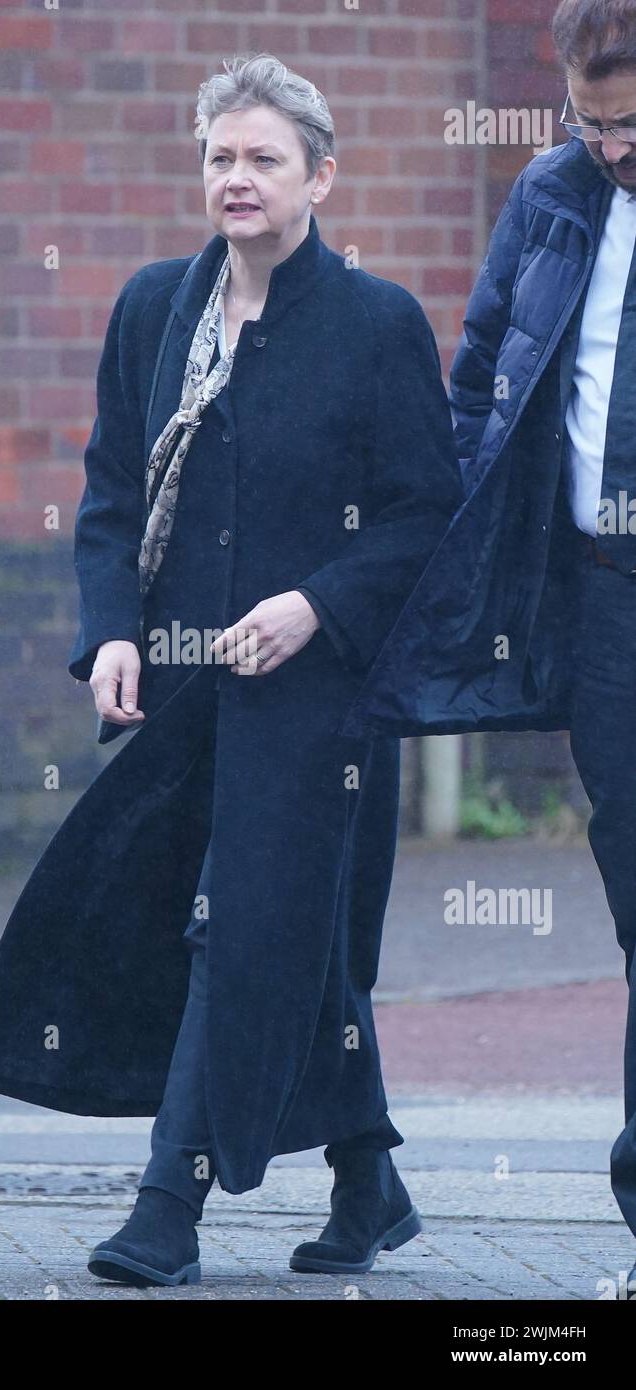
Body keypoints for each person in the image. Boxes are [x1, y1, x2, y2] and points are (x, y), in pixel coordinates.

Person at [0, 52, 463, 1287]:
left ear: (318, 177)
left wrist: (313, 606)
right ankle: (367, 1186)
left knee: (236, 925)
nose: (236, 178)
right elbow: (113, 494)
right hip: (182, 696)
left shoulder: (376, 323)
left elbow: (424, 517)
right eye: (219, 157)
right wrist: (111, 628)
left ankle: (164, 1209)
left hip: (319, 704)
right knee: (291, 939)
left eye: (262, 159)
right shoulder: (150, 309)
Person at [342, 0, 636, 1298]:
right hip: (601, 602)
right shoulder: (549, 192)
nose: (616, 148)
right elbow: (478, 383)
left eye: (634, 123)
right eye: (593, 121)